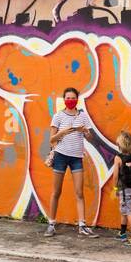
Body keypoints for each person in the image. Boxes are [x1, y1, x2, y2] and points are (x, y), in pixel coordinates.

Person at [44, 86, 96, 237]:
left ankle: (82, 226)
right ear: (64, 99)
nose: (71, 100)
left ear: (77, 99)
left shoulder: (82, 116)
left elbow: (91, 138)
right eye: (68, 98)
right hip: (60, 156)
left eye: (73, 98)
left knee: (79, 192)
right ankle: (51, 224)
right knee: (56, 192)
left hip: (76, 157)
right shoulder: (58, 116)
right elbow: (51, 139)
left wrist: (84, 131)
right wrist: (63, 132)